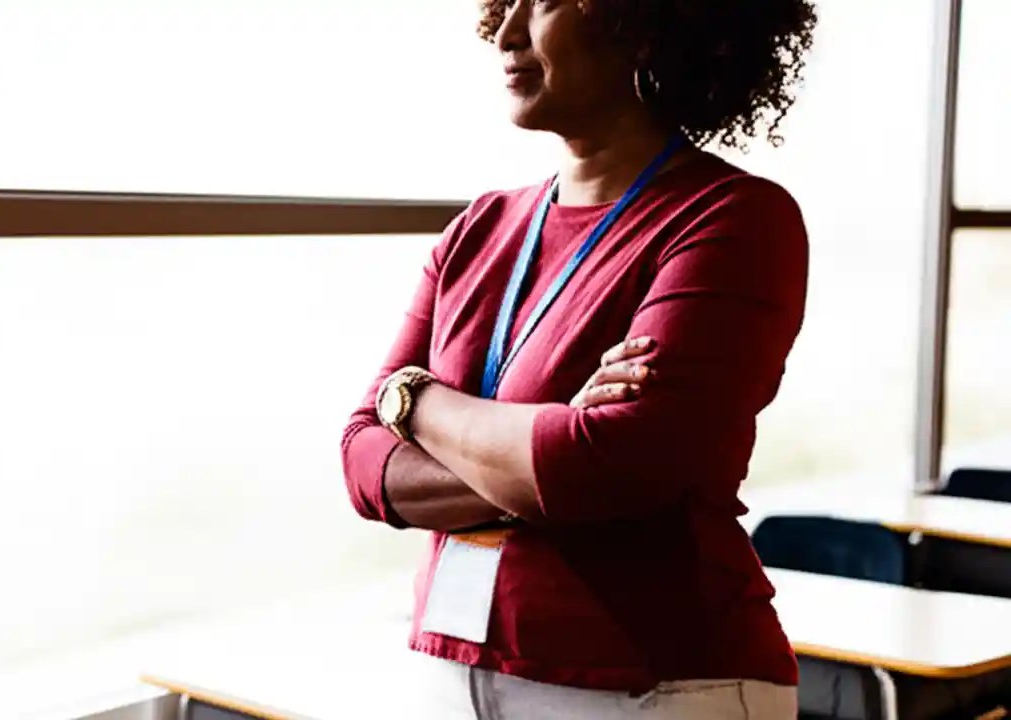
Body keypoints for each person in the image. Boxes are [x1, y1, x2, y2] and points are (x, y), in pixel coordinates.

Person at [339, 0, 818, 717]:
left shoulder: (733, 218)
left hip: (657, 684)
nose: (507, 34)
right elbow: (361, 463)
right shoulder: (480, 226)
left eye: (547, 2)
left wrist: (411, 400)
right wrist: (543, 450)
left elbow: (601, 467)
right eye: (506, 5)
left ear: (645, 22)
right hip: (450, 669)